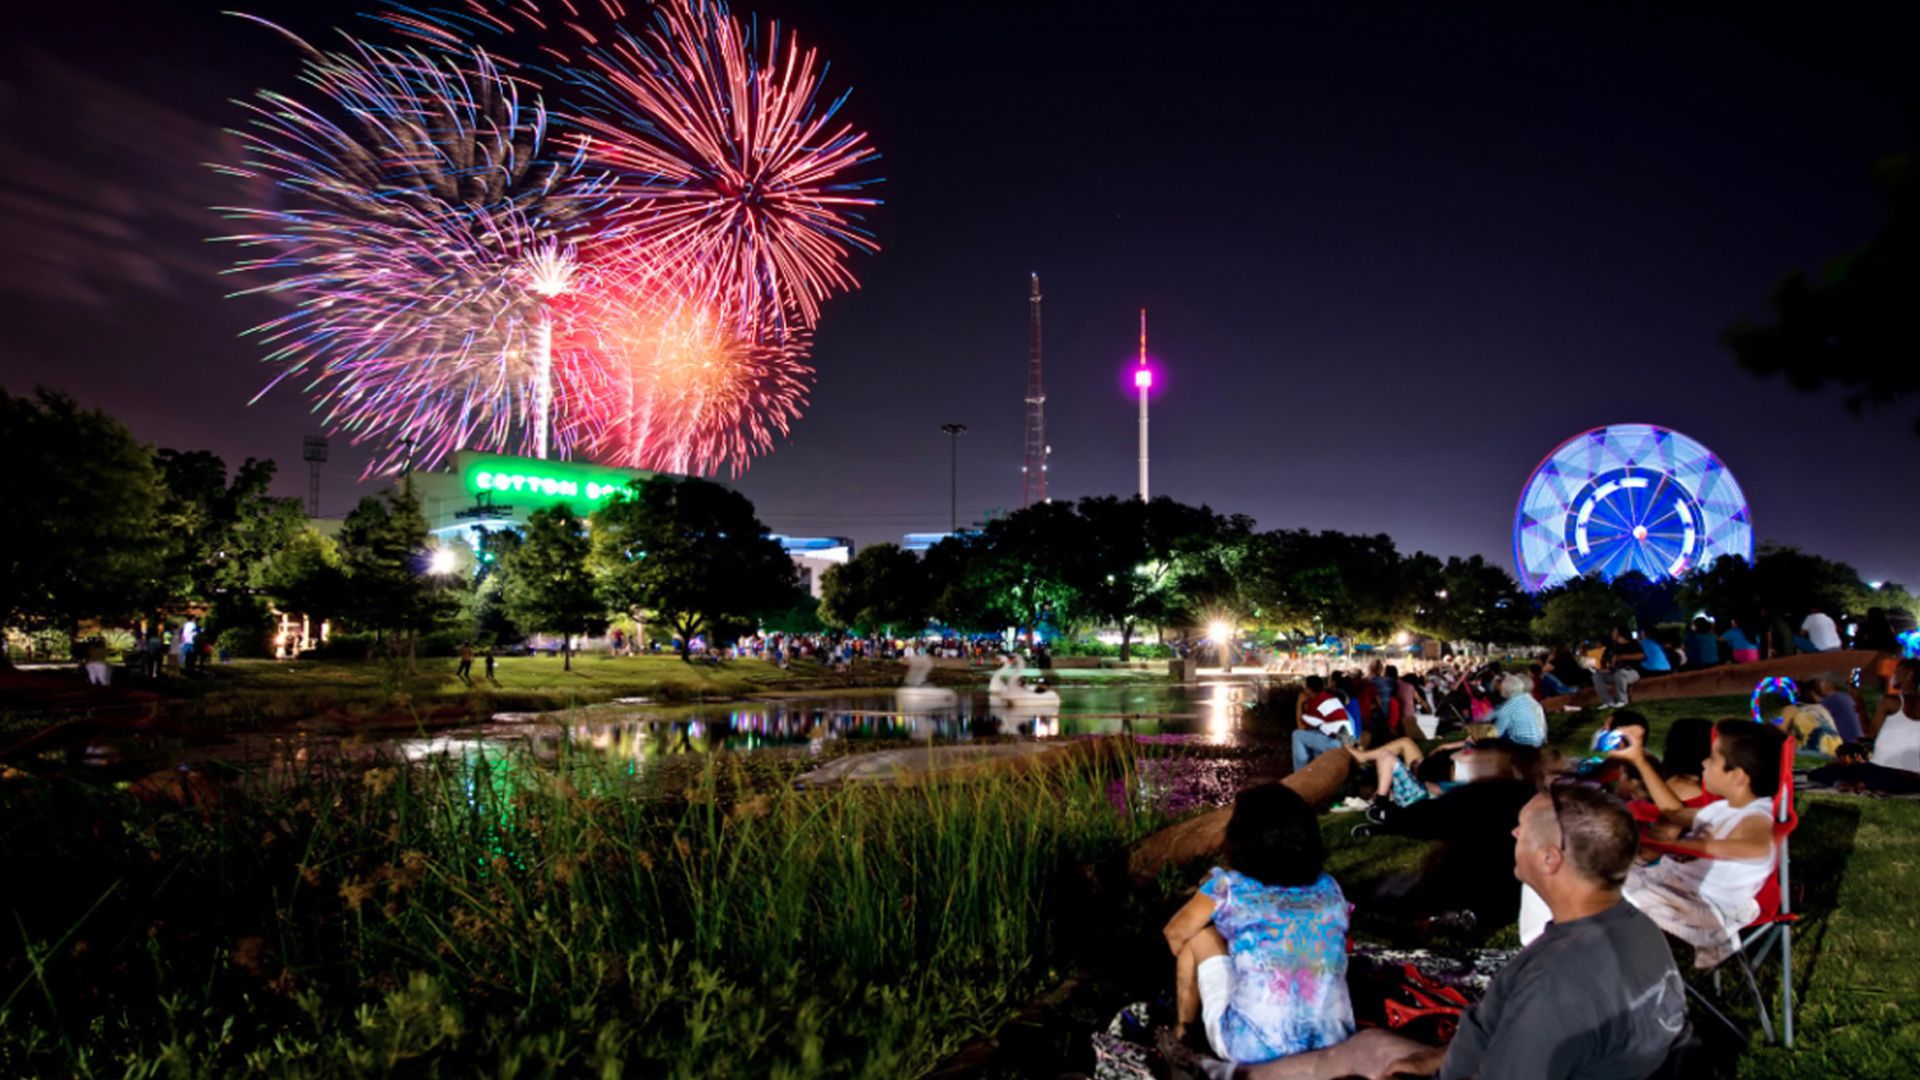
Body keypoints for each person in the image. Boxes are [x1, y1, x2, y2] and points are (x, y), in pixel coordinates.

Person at [1231, 781, 1687, 1080]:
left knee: (1357, 1061)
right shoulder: (1633, 930)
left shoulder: (1555, 983)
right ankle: (1231, 1074)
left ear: (1549, 859)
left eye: (1522, 828)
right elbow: (1494, 1036)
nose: (1512, 834)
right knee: (1369, 1048)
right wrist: (1427, 1060)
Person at [1162, 783, 1352, 1067]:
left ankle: (1183, 1035)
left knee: (1198, 937)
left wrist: (1210, 963)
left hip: (1251, 1048)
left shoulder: (1226, 887)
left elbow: (1174, 933)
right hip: (1333, 1044)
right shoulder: (1329, 888)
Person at [1607, 720, 1786, 967]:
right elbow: (1674, 812)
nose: (1703, 763)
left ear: (1737, 777)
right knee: (1593, 876)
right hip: (1675, 886)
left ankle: (1619, 973)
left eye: (1712, 759)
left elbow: (1759, 847)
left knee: (1600, 895)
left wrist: (1691, 847)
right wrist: (1640, 760)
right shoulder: (1726, 809)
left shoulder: (1756, 815)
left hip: (1705, 907)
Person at [1808, 657, 1920, 795]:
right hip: (1914, 777)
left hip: (1889, 774)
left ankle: (1851, 784)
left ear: (1906, 674)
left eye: (1896, 671)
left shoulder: (1889, 701)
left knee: (1819, 774)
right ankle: (1866, 783)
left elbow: (1869, 733)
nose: (1893, 675)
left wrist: (1859, 703)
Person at [1292, 675, 1353, 773]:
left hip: (1335, 743)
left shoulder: (1315, 703)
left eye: (1304, 688)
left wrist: (1299, 704)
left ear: (1309, 690)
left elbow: (1301, 728)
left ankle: (1300, 772)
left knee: (1297, 735)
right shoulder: (1332, 698)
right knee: (1313, 733)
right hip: (1346, 740)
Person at [1591, 627, 1644, 709]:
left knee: (1620, 672)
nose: (1612, 634)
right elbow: (1605, 660)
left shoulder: (1632, 644)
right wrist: (1605, 669)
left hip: (1631, 672)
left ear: (1620, 634)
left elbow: (1641, 655)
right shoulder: (1612, 647)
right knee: (1597, 676)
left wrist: (1622, 657)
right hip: (1615, 672)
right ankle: (1609, 701)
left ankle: (1622, 700)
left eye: (1614, 632)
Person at [1488, 672, 1547, 746]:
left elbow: (1497, 732)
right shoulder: (1527, 702)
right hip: (1537, 743)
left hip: (1522, 745)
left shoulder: (1511, 705)